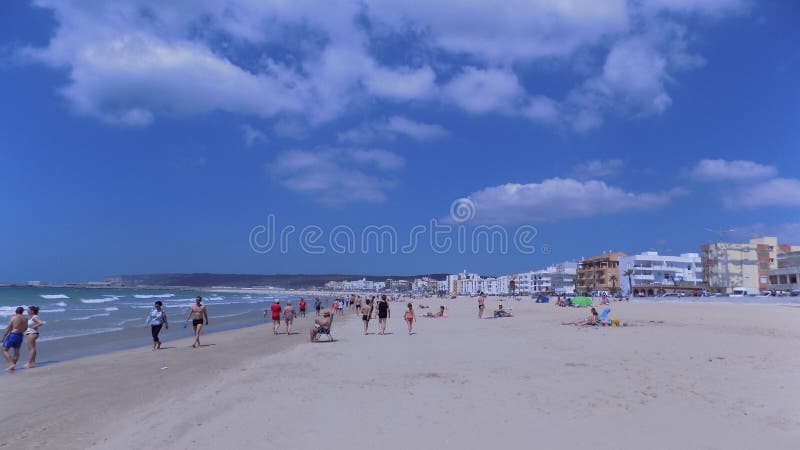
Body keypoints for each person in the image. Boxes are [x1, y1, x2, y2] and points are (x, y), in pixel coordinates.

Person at [2, 307, 27, 371]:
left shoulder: (14, 317)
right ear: (22, 312)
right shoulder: (25, 318)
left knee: (4, 350)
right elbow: (25, 328)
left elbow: (8, 328)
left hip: (13, 335)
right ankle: (13, 366)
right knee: (16, 351)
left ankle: (11, 364)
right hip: (20, 335)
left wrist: (3, 338)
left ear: (16, 311)